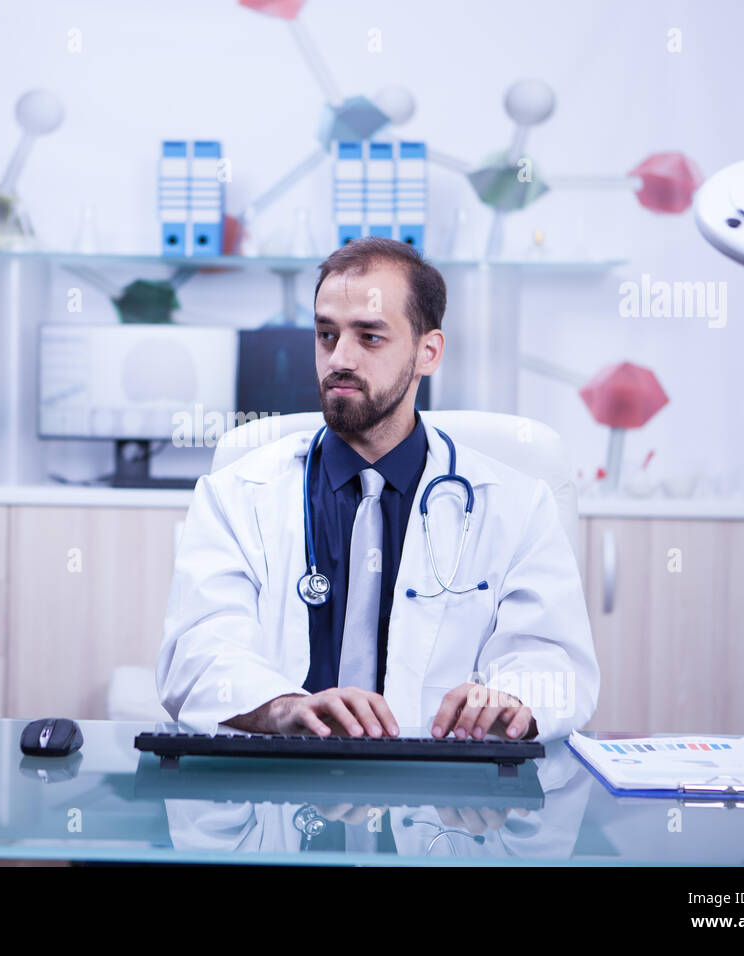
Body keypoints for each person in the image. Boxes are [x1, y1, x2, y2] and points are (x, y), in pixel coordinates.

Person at [157, 237, 598, 741]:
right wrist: (282, 707)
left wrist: (512, 698)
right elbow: (196, 653)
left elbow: (555, 662)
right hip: (279, 793)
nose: (338, 358)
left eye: (368, 337)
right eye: (326, 334)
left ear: (427, 352)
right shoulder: (236, 494)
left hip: (448, 805)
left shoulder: (517, 505)